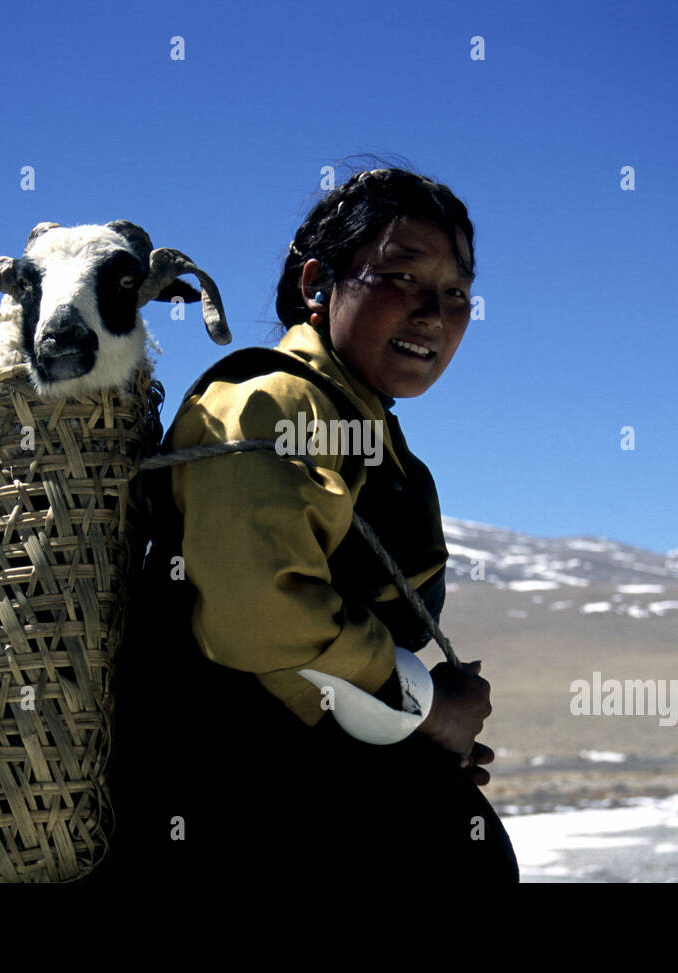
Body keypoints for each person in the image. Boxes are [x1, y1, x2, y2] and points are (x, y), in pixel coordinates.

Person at [110, 165, 518, 885]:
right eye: (401, 276)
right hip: (226, 820)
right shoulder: (271, 405)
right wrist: (421, 707)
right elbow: (258, 617)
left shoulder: (362, 426)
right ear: (315, 285)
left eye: (456, 292)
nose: (433, 312)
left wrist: (417, 740)